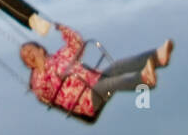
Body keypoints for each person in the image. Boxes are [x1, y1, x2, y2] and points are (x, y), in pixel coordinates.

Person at [21, 26, 175, 120]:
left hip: (93, 80)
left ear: (41, 49)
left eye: (29, 50)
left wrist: (62, 29)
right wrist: (41, 68)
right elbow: (47, 92)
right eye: (25, 57)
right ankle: (143, 80)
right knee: (109, 84)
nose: (28, 55)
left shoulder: (60, 56)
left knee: (118, 66)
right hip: (84, 98)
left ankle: (158, 56)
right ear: (28, 65)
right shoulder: (37, 81)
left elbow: (76, 43)